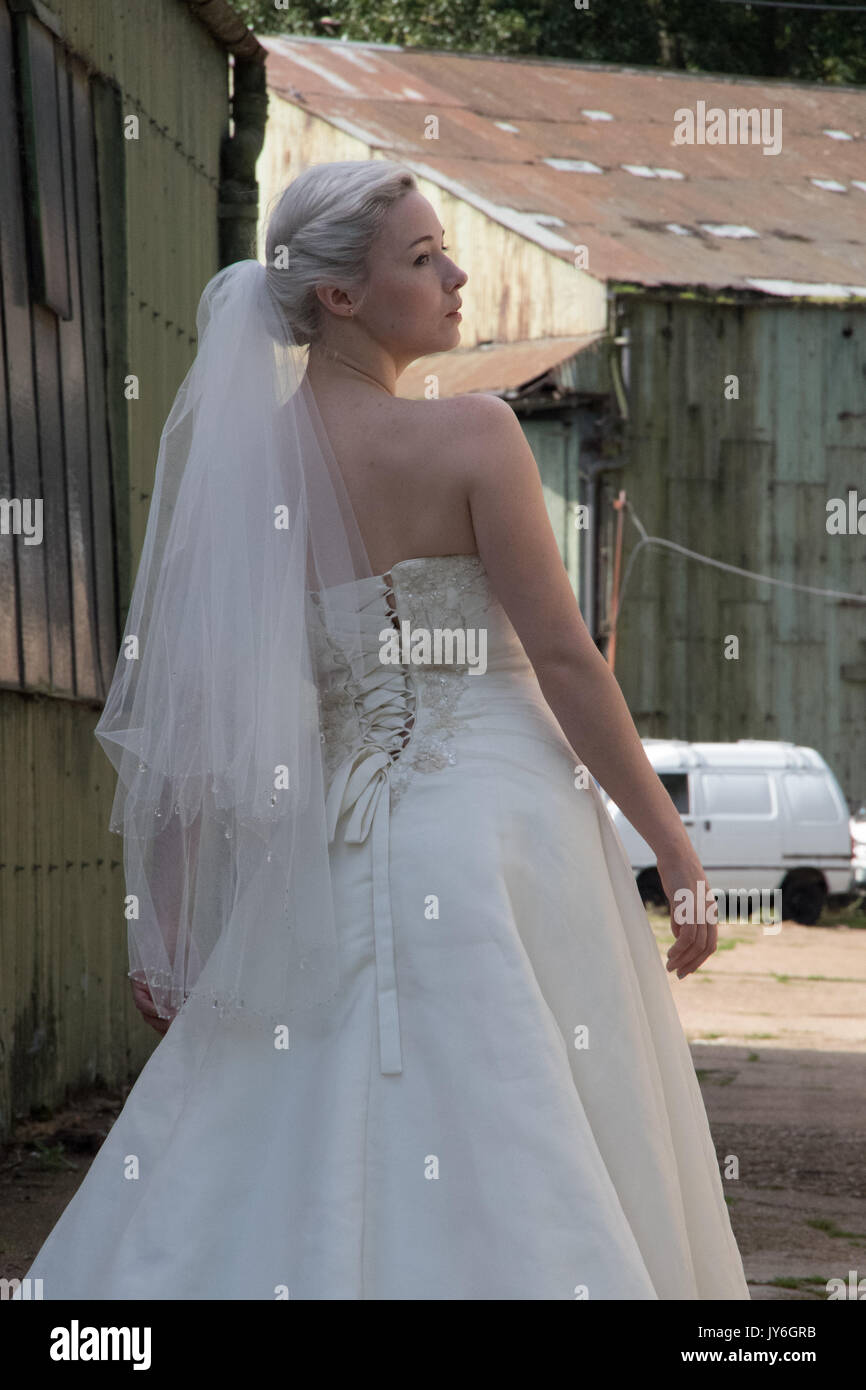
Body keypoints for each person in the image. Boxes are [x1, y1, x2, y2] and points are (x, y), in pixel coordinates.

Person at [18, 160, 749, 1300]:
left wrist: (159, 922)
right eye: (421, 258)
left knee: (271, 1110)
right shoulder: (474, 438)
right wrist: (675, 846)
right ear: (340, 298)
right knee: (529, 1104)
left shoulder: (243, 467)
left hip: (321, 853)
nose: (456, 276)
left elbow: (197, 724)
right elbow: (564, 659)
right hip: (500, 835)